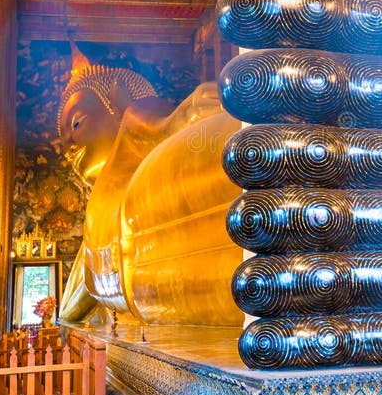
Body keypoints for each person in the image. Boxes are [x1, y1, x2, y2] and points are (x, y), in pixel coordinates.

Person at [58, 46, 243, 327]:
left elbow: (166, 124)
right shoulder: (103, 206)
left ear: (116, 101)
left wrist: (187, 114)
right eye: (65, 142)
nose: (69, 147)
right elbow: (73, 303)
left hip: (165, 202)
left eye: (77, 123)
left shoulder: (135, 118)